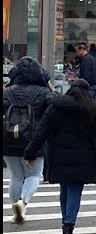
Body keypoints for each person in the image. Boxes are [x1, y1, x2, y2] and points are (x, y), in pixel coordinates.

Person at [23, 79, 96, 234]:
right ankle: (69, 226)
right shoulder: (90, 109)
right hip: (82, 155)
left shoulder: (56, 107)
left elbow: (42, 131)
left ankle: (64, 224)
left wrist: (30, 153)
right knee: (75, 190)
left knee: (65, 188)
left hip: (59, 154)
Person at [3, 57, 55, 224]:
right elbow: (53, 111)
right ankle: (22, 203)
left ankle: (15, 207)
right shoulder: (44, 92)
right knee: (34, 175)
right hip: (33, 139)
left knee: (16, 176)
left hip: (8, 137)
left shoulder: (8, 92)